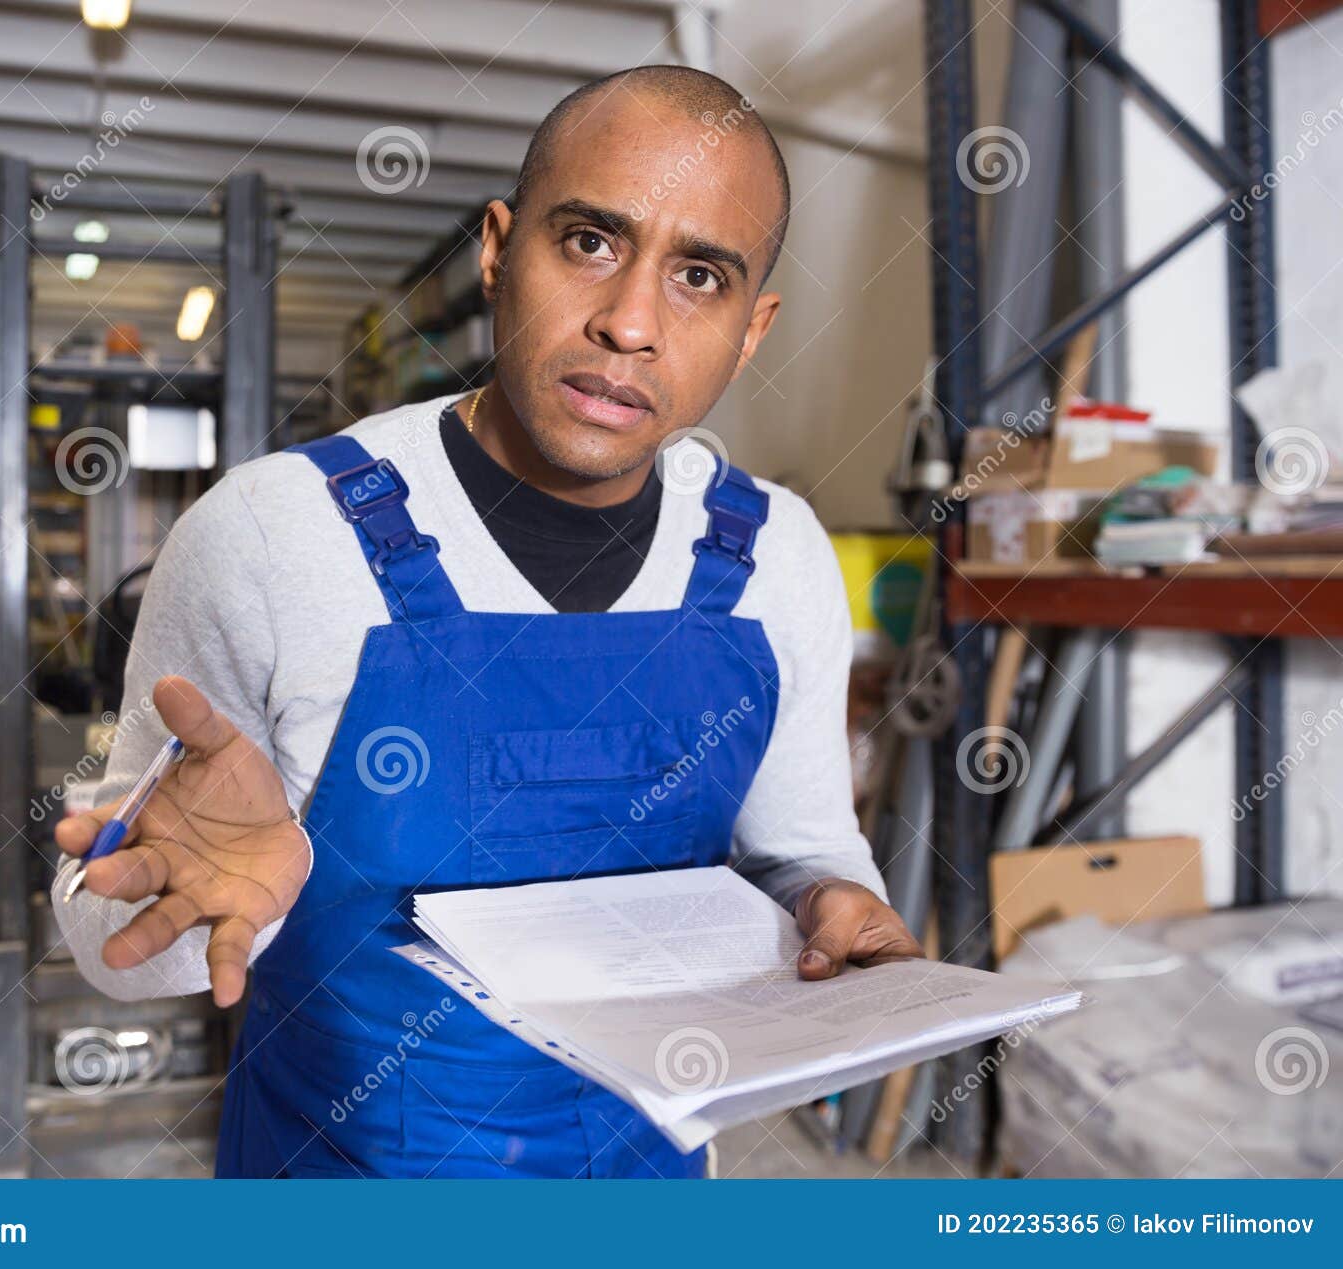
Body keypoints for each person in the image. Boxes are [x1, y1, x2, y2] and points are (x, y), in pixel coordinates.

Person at [53, 64, 923, 1179]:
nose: (628, 324)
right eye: (591, 243)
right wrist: (192, 902)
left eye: (698, 276)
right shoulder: (273, 539)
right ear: (499, 250)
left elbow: (804, 855)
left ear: (751, 331)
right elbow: (104, 943)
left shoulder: (777, 556)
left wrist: (834, 905)